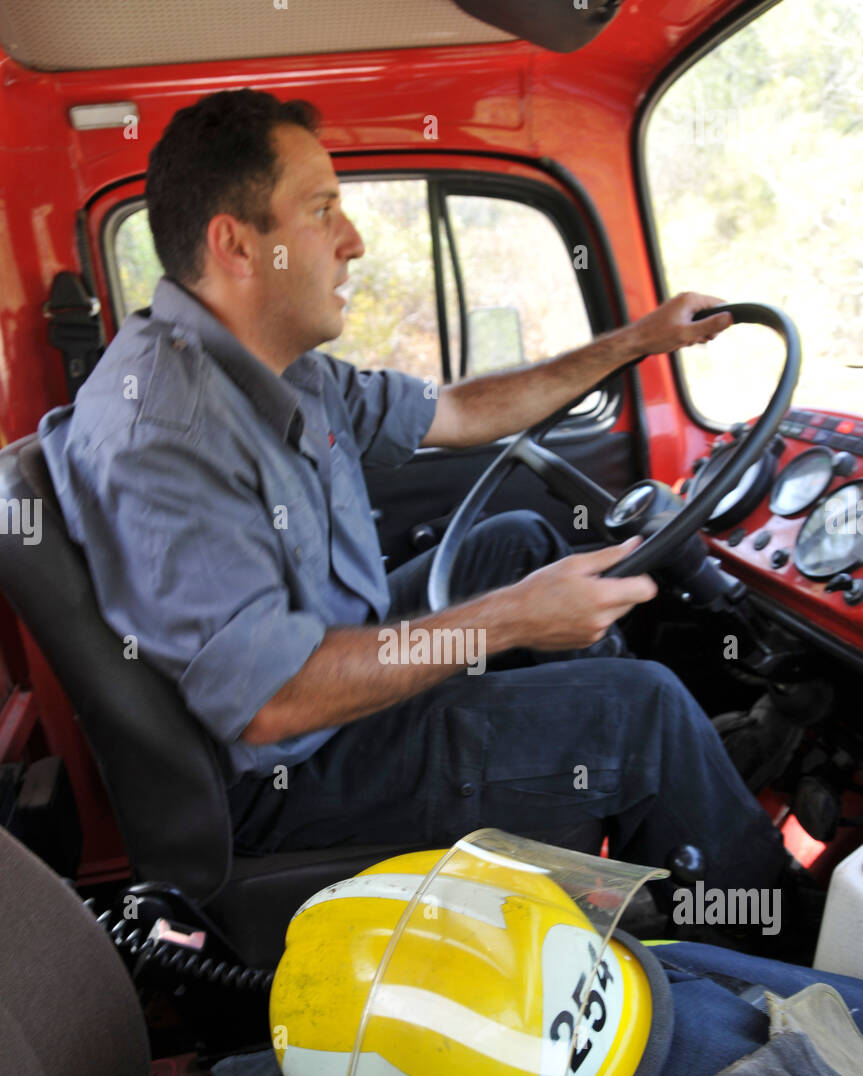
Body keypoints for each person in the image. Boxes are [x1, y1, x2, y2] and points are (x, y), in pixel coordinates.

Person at [38, 88, 789, 917]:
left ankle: (623, 804)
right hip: (284, 773)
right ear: (237, 246)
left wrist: (639, 339)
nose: (352, 241)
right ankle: (768, 942)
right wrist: (507, 622)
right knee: (641, 710)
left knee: (517, 543)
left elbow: (462, 413)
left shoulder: (276, 369)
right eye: (322, 210)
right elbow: (270, 701)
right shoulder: (168, 432)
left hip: (312, 666)